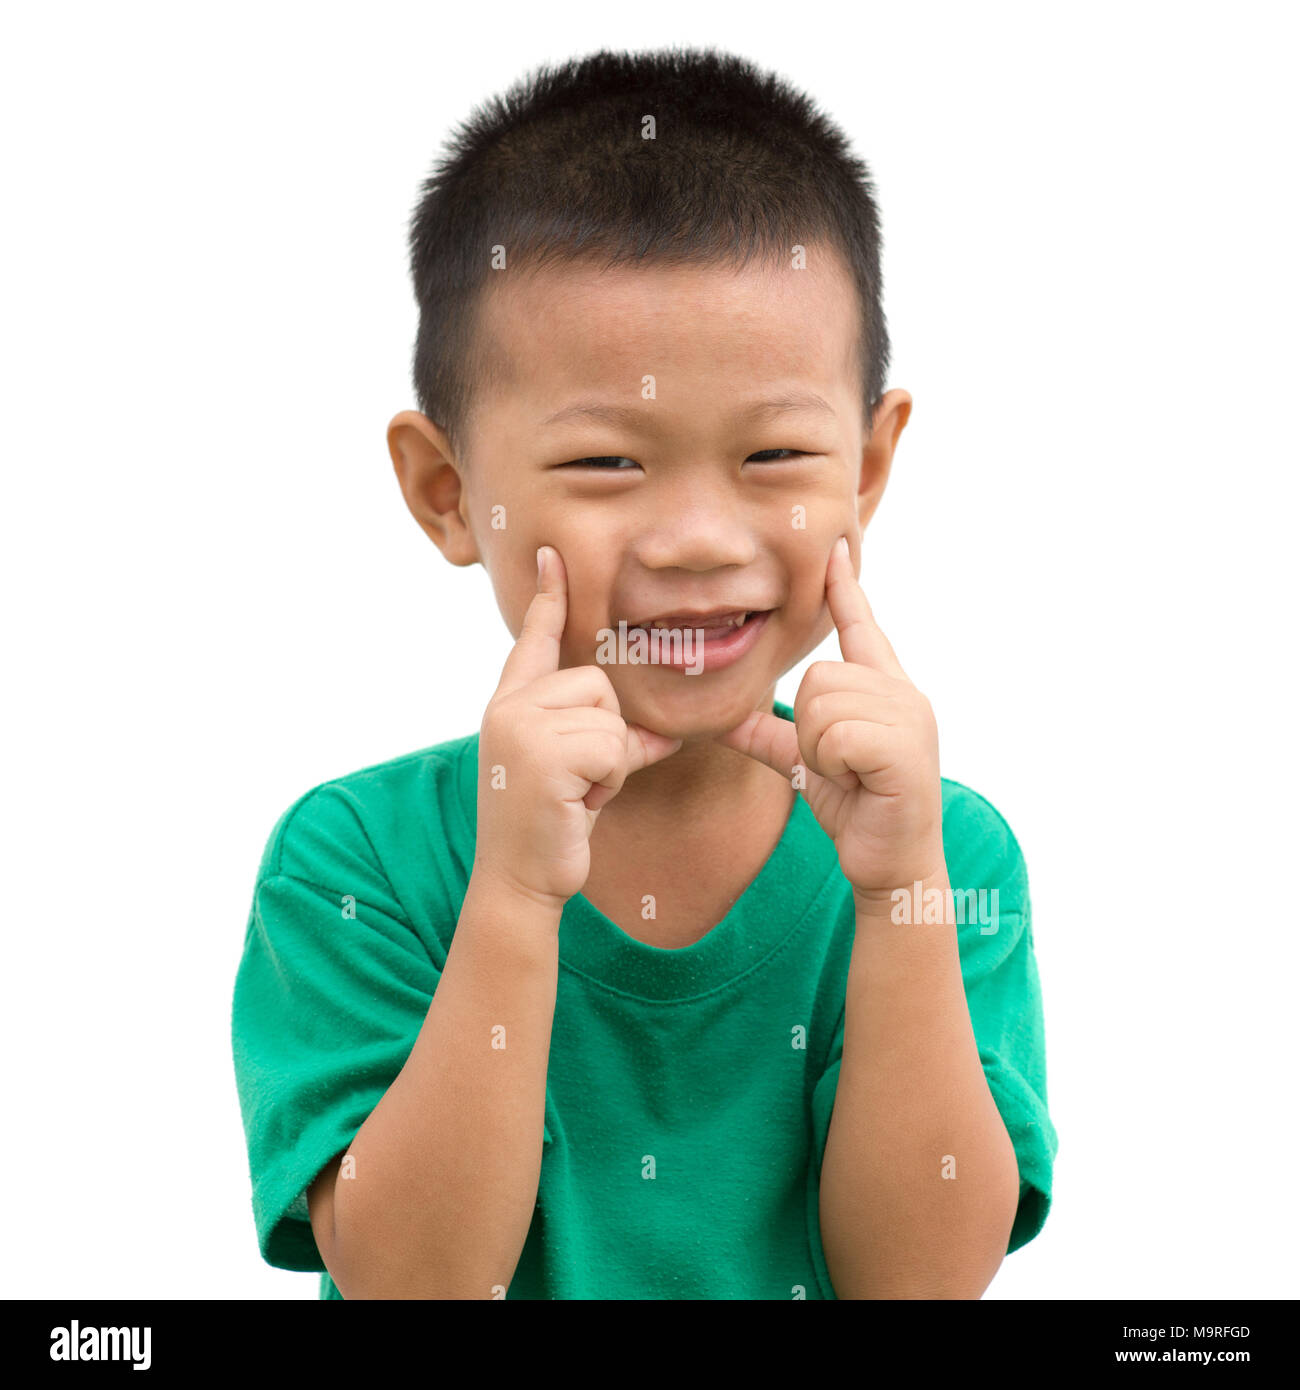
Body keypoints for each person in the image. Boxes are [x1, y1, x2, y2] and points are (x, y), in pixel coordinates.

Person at [231, 45, 1057, 1300]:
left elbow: (922, 1284)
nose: (695, 539)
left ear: (868, 474)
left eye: (775, 452)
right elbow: (412, 1284)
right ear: (448, 493)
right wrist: (510, 892)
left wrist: (900, 899)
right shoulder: (355, 862)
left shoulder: (944, 853)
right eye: (609, 465)